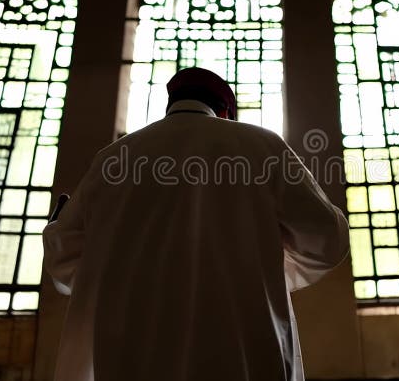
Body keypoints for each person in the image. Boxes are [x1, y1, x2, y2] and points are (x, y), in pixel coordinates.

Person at [43, 67, 349, 381]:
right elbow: (326, 241)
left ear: (170, 102)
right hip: (240, 352)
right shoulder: (261, 146)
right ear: (225, 112)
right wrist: (260, 261)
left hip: (133, 354)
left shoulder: (111, 160)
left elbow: (64, 263)